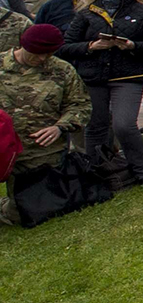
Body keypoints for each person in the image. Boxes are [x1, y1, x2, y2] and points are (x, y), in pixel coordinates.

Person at [59, 0, 143, 188]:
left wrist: (133, 45)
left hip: (128, 76)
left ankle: (141, 171)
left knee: (124, 125)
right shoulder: (86, 11)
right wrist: (91, 46)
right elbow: (66, 46)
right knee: (95, 126)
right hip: (94, 76)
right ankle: (96, 173)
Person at [0, 24, 90, 226]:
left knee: (27, 214)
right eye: (37, 53)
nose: (42, 59)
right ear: (24, 45)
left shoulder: (62, 70)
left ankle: (9, 206)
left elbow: (81, 105)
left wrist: (60, 126)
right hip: (2, 146)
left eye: (48, 54)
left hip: (39, 152)